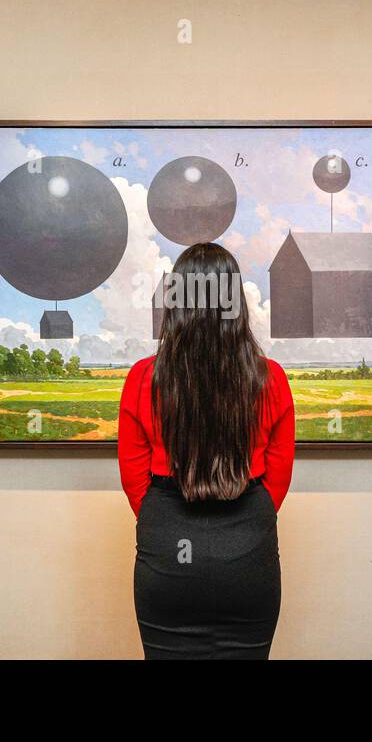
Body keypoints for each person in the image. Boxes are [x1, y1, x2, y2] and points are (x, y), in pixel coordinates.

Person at [118, 242, 295, 659]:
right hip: (248, 555)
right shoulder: (271, 379)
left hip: (167, 552)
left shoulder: (143, 378)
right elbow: (279, 476)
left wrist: (161, 517)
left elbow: (134, 479)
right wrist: (251, 517)